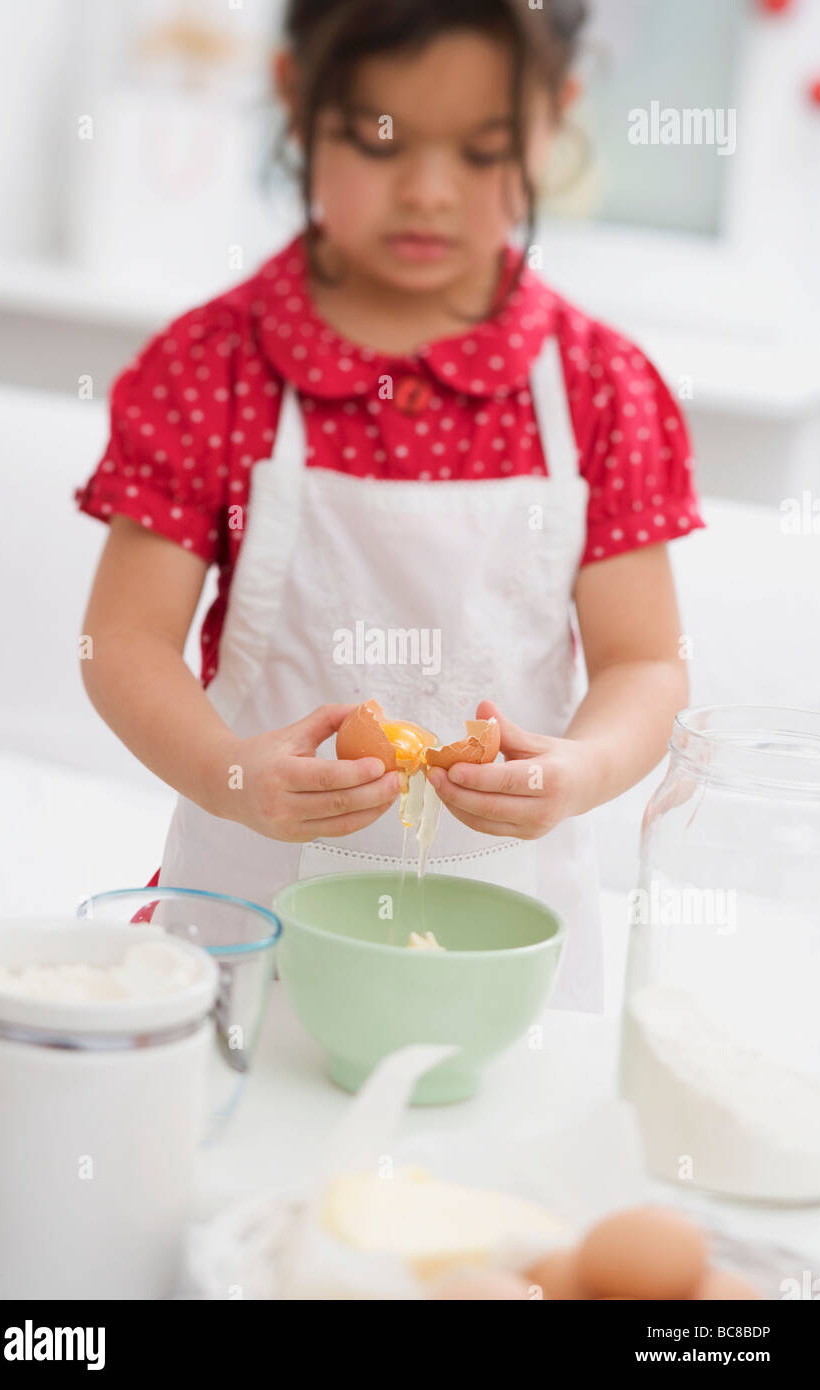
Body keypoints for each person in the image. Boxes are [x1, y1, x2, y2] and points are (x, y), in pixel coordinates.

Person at [76, 0, 703, 1012]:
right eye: (377, 140)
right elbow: (121, 642)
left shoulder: (596, 387)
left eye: (481, 150)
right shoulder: (212, 369)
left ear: (554, 119)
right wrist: (230, 773)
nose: (425, 191)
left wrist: (581, 771)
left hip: (506, 962)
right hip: (249, 930)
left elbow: (642, 662)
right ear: (296, 103)